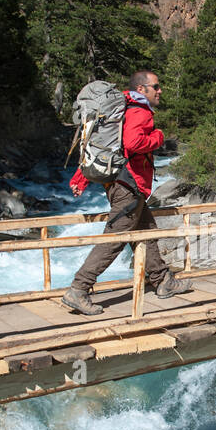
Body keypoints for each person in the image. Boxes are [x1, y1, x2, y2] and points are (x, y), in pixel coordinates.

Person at [62, 70, 193, 316]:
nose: (160, 90)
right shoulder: (139, 111)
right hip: (129, 187)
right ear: (142, 89)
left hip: (121, 185)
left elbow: (102, 147)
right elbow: (133, 143)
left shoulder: (120, 110)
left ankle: (163, 281)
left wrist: (81, 178)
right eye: (156, 86)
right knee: (115, 238)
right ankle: (78, 289)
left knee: (146, 233)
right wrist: (159, 137)